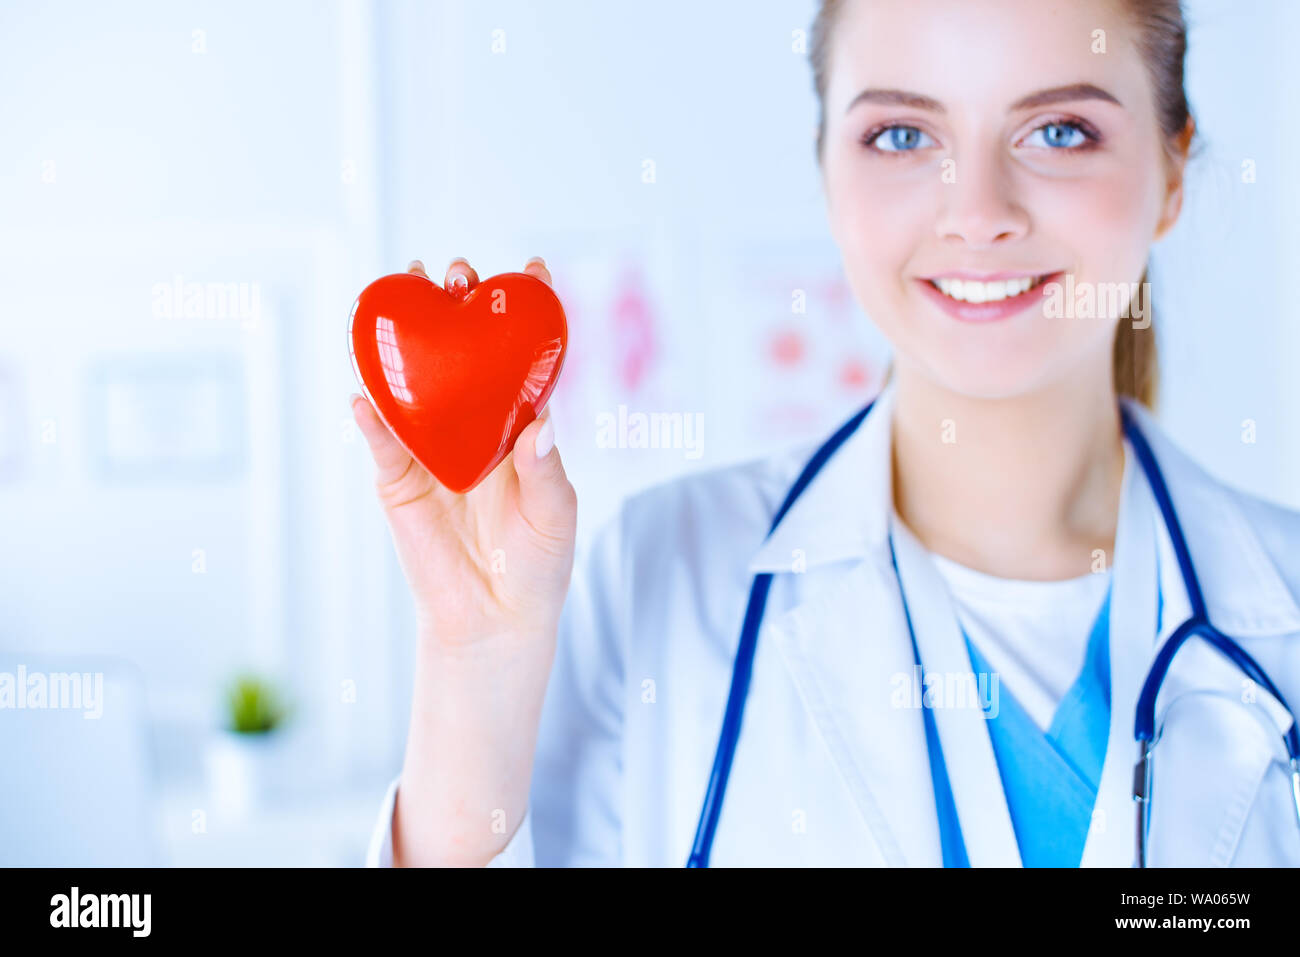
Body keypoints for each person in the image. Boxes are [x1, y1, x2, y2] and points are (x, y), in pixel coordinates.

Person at [352, 0, 1300, 867]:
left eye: (1060, 131)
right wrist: (474, 664)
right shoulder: (657, 574)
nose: (977, 213)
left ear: (1174, 171)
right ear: (825, 168)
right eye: (900, 134)